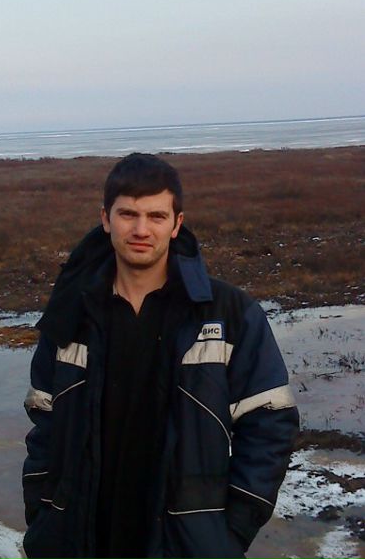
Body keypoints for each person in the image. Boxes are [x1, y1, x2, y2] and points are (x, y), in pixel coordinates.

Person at [22, 153, 299, 559]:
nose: (141, 229)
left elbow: (270, 423)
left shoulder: (229, 314)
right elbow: (44, 422)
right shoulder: (71, 316)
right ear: (105, 219)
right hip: (83, 541)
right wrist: (44, 516)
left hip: (186, 545)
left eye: (156, 216)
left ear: (176, 224)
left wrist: (230, 530)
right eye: (128, 214)